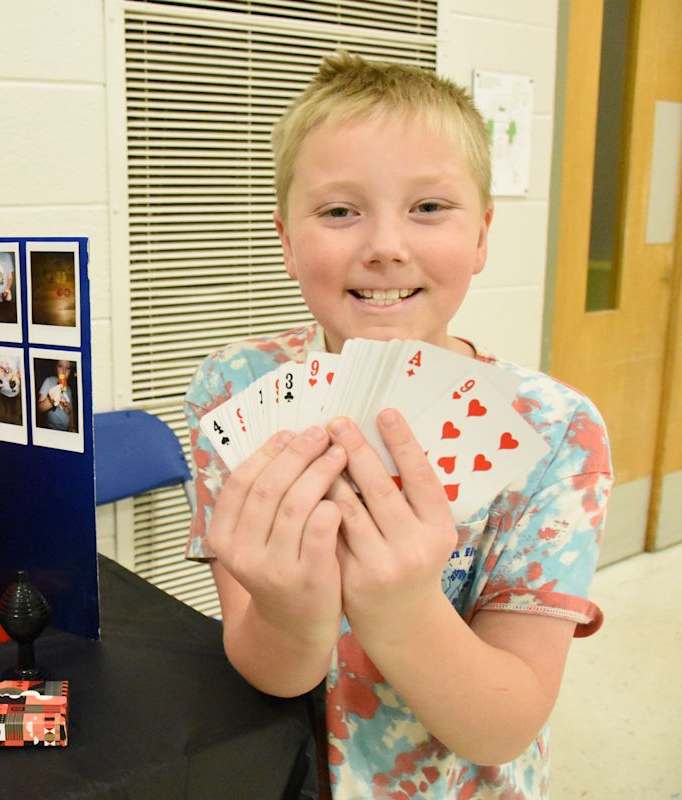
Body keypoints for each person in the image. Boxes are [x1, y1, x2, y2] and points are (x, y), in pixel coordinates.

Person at [184, 52, 610, 798]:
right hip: (288, 773)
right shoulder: (235, 390)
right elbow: (274, 672)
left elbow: (503, 726)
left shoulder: (554, 432)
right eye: (340, 210)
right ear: (286, 239)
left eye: (428, 207)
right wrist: (288, 612)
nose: (384, 244)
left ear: (482, 235)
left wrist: (404, 608)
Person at [37, 359, 76, 432]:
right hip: (52, 429)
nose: (63, 371)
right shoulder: (49, 381)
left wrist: (72, 426)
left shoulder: (69, 389)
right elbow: (39, 408)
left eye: (67, 368)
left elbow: (71, 411)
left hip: (67, 429)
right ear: (55, 367)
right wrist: (50, 401)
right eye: (60, 366)